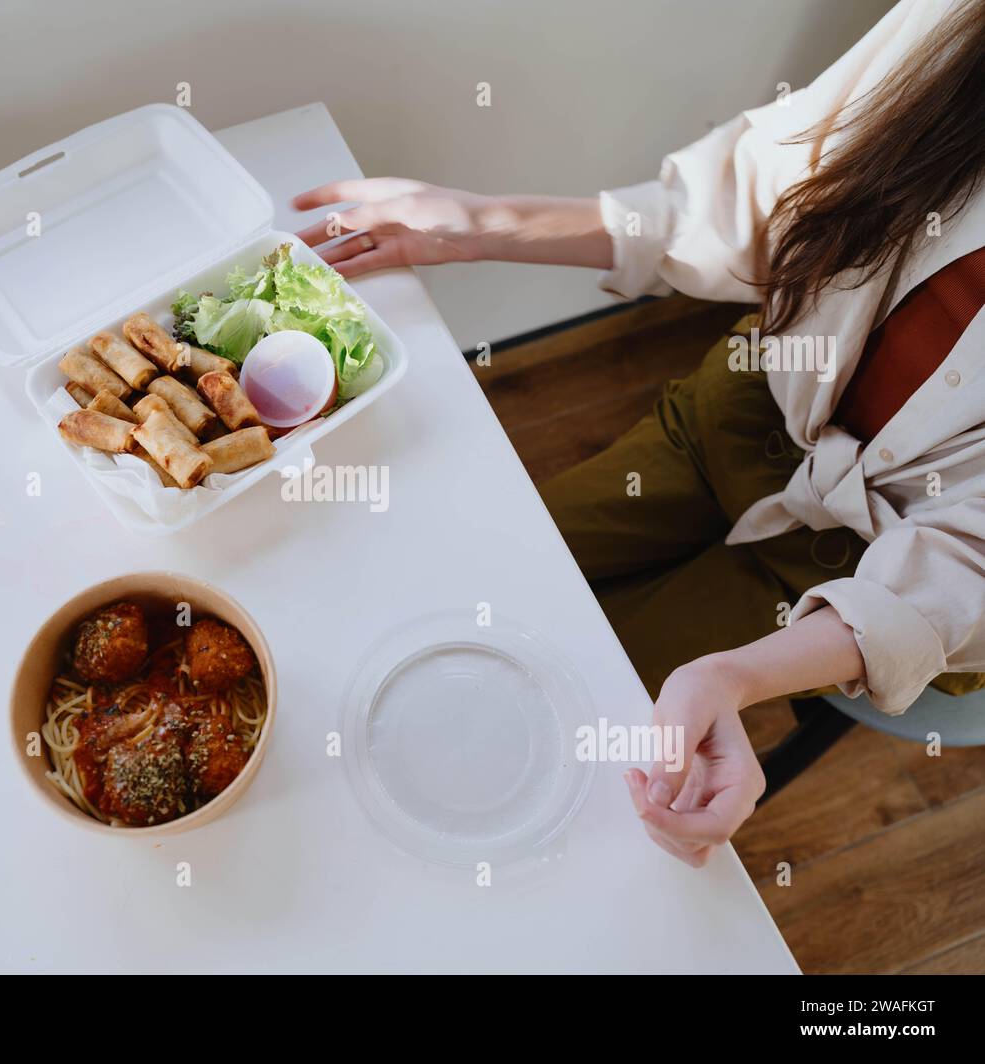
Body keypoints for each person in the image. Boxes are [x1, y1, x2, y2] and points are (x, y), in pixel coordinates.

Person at [294, 0, 985, 865]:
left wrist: (734, 677)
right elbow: (769, 198)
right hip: (745, 413)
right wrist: (481, 226)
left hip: (874, 568)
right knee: (460, 585)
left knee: (542, 728)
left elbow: (966, 569)